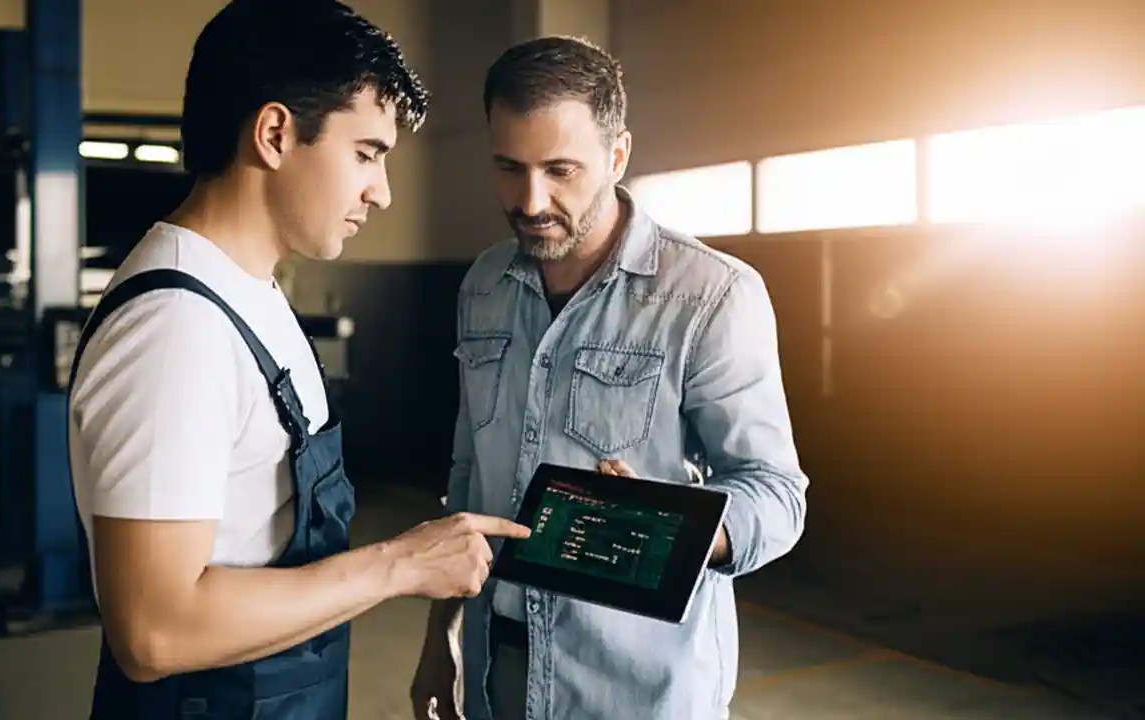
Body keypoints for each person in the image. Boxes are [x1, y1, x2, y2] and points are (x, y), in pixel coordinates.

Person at [66, 2, 529, 718]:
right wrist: (400, 564)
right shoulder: (177, 328)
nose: (382, 191)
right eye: (366, 154)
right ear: (276, 133)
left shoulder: (250, 293)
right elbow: (154, 631)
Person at [410, 36, 809, 720]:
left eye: (561, 170)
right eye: (509, 168)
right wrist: (439, 635)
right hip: (496, 665)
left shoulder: (711, 296)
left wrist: (673, 526)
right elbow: (470, 478)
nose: (531, 200)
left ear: (617, 155)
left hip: (638, 691)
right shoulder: (484, 286)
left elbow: (777, 495)